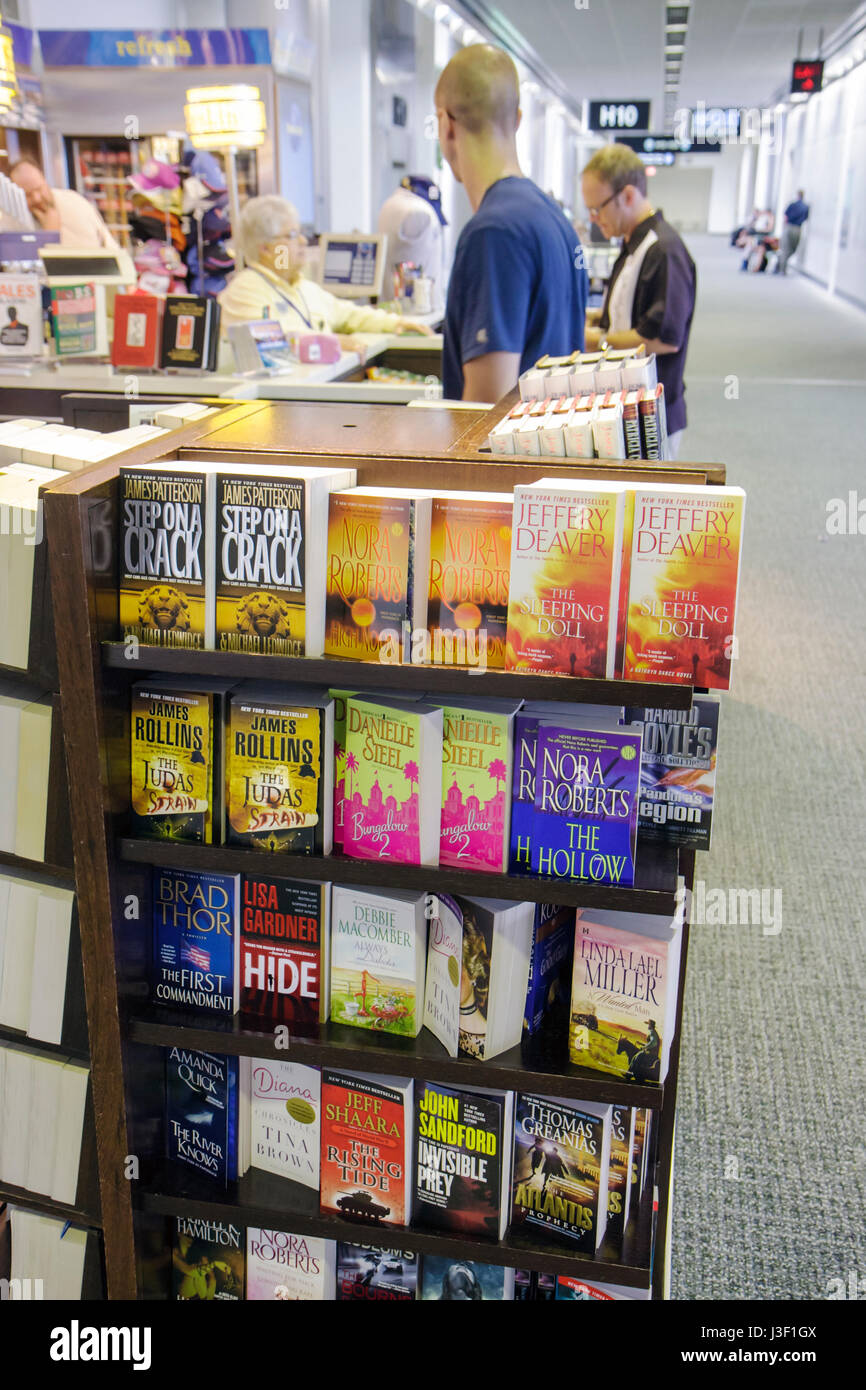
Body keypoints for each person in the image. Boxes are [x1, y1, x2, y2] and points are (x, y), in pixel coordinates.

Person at [434, 45, 588, 402]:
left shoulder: (493, 234)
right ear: (517, 119)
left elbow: (487, 408)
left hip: (511, 457)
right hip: (548, 450)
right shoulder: (554, 219)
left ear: (445, 124)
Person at [581, 143, 696, 460]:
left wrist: (596, 342)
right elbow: (623, 313)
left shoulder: (663, 250)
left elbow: (663, 338)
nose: (594, 218)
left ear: (628, 196)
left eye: (599, 208)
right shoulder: (633, 243)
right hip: (626, 407)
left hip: (653, 415)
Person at [217, 196, 432, 360]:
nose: (302, 240)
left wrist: (397, 323)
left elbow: (348, 314)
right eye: (291, 235)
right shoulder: (244, 291)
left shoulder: (302, 287)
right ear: (265, 248)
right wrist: (331, 341)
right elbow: (273, 342)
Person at [8, 158, 121, 251]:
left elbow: (109, 246)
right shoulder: (13, 223)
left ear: (45, 180)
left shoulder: (75, 202)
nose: (37, 199)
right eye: (27, 195)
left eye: (39, 189)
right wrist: (49, 236)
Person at [776, 189, 809, 275]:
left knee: (786, 248)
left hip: (789, 227)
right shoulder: (804, 207)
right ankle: (782, 268)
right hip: (797, 229)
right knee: (791, 249)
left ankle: (780, 262)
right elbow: (805, 219)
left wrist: (784, 228)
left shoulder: (794, 205)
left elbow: (785, 217)